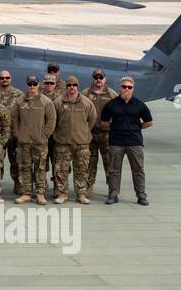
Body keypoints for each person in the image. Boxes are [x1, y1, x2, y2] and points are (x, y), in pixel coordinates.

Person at [99, 76, 153, 205]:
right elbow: (103, 122)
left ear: (133, 89)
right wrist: (115, 127)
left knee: (138, 170)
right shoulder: (111, 105)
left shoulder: (140, 105)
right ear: (120, 88)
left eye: (129, 87)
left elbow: (149, 122)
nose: (127, 89)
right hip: (116, 142)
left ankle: (141, 196)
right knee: (114, 169)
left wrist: (137, 127)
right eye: (124, 87)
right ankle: (113, 194)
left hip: (134, 142)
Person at [11, 76, 55, 205]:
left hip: (39, 142)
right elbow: (14, 120)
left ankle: (40, 193)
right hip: (24, 142)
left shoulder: (46, 102)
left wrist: (44, 135)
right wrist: (18, 135)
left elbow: (51, 120)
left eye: (34, 83)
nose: (32, 86)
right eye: (30, 83)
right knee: (24, 167)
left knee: (40, 168)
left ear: (38, 84)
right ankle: (26, 193)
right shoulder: (20, 102)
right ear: (27, 84)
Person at [54, 76, 98, 204]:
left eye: (74, 85)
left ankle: (81, 194)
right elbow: (52, 120)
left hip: (82, 143)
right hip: (63, 143)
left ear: (77, 87)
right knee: (61, 170)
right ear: (65, 87)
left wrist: (83, 132)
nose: (72, 87)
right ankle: (63, 194)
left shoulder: (86, 102)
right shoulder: (58, 102)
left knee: (82, 169)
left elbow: (92, 119)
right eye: (69, 85)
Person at [82, 69, 116, 198]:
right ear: (92, 79)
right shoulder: (85, 93)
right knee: (90, 162)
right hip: (91, 134)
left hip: (107, 135)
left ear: (105, 79)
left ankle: (112, 188)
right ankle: (89, 186)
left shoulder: (111, 94)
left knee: (109, 162)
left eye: (101, 77)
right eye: (96, 77)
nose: (98, 80)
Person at [0, 71, 23, 194]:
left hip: (14, 134)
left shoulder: (19, 94)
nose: (4, 79)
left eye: (7, 77)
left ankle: (18, 184)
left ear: (11, 79)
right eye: (2, 78)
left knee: (16, 160)